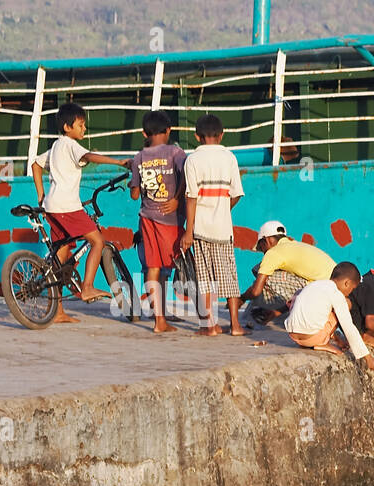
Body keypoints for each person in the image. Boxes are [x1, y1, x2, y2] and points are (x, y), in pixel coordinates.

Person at [30, 102, 131, 322]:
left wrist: (41, 196)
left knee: (61, 257)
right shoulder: (70, 144)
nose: (84, 129)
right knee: (98, 241)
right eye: (81, 125)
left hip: (52, 208)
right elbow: (90, 157)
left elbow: (35, 166)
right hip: (68, 207)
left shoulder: (56, 146)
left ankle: (57, 312)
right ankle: (87, 287)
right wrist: (119, 162)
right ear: (68, 127)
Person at [179, 113, 246, 336]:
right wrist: (223, 210)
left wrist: (188, 231)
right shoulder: (230, 158)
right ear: (222, 134)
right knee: (229, 277)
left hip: (200, 229)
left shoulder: (193, 160)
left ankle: (211, 326)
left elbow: (191, 197)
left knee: (204, 278)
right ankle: (236, 325)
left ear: (197, 136)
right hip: (223, 229)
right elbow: (236, 194)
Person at [128, 110, 185, 333]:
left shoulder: (139, 157)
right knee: (171, 267)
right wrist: (176, 199)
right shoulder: (176, 152)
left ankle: (159, 319)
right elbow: (187, 176)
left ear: (144, 132)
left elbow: (134, 194)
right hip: (170, 219)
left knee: (152, 267)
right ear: (169, 130)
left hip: (148, 218)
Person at [284, 261, 374, 372]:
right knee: (345, 306)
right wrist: (368, 358)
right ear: (347, 283)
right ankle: (322, 343)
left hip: (293, 335)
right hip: (310, 338)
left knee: (323, 309)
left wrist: (338, 339)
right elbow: (348, 327)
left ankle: (323, 341)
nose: (350, 292)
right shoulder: (336, 294)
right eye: (352, 289)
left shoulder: (315, 284)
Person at [239, 221, 337, 325]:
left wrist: (242, 298)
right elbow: (301, 289)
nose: (263, 253)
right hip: (335, 290)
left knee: (260, 273)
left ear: (266, 240)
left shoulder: (273, 252)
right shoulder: (296, 246)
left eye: (261, 248)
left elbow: (255, 291)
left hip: (322, 292)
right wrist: (275, 313)